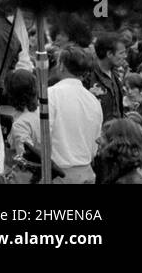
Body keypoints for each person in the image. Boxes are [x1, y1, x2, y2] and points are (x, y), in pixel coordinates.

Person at [47, 45, 104, 184]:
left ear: (61, 66)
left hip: (59, 174)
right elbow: (96, 141)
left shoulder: (51, 94)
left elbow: (43, 134)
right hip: (86, 173)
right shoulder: (93, 100)